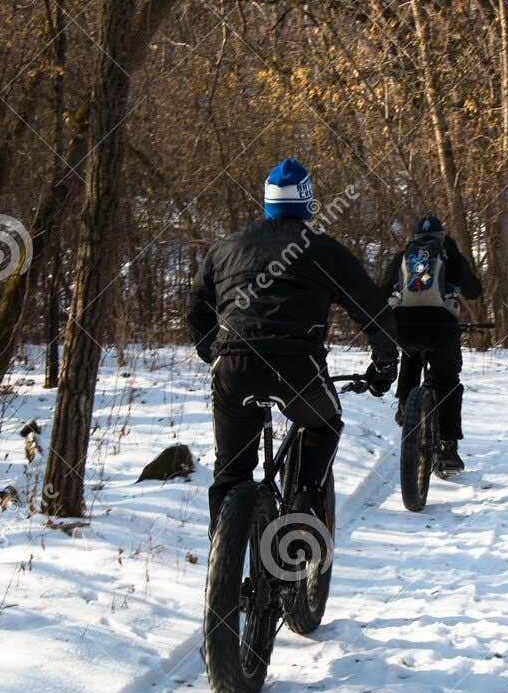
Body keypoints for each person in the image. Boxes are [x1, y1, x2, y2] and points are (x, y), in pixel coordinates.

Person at [186, 159, 398, 531]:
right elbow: (374, 312)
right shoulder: (324, 250)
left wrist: (213, 353)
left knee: (230, 472)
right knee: (325, 423)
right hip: (297, 368)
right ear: (308, 204)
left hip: (232, 367)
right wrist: (384, 364)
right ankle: (306, 504)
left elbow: (195, 310)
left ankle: (224, 556)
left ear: (267, 201)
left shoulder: (226, 248)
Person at [381, 215, 483, 473]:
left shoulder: (404, 255)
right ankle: (448, 449)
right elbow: (474, 291)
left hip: (403, 324)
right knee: (447, 381)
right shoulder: (449, 252)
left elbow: (381, 292)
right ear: (441, 233)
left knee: (411, 355)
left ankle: (406, 407)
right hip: (441, 326)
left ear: (415, 237)